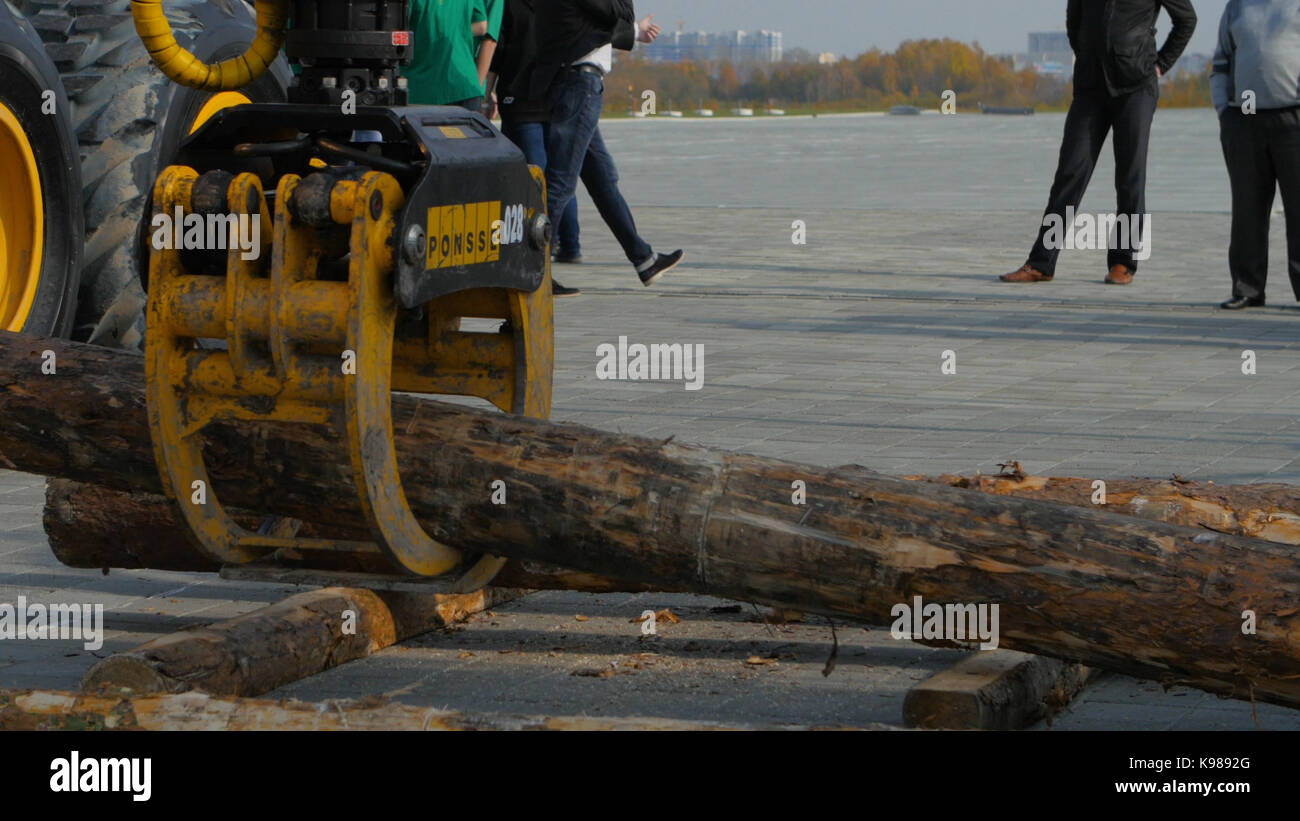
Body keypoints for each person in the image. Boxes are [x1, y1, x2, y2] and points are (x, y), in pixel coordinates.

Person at [1000, 0, 1196, 285]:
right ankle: (1041, 262)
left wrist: (1160, 64)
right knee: (1069, 174)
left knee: (1130, 177)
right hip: (1090, 88)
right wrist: (1090, 55)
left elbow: (1186, 20)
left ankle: (1123, 261)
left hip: (1135, 87)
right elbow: (1073, 21)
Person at [532, 0, 684, 287]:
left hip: (575, 84)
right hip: (578, 86)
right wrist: (631, 25)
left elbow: (596, 26)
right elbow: (616, 12)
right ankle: (529, 270)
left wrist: (634, 33)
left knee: (602, 180)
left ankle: (644, 259)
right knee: (559, 185)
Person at [487, 0, 584, 297]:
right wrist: (488, 91)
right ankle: (545, 248)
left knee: (549, 173)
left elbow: (497, 50)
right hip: (523, 98)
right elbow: (499, 50)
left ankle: (564, 244)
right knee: (541, 172)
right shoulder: (512, 6)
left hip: (547, 96)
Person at [1211, 0, 1300, 310]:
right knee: (1247, 209)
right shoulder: (1237, 6)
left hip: (1294, 119)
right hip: (1244, 120)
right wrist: (1225, 111)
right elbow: (1221, 61)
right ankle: (1247, 288)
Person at [405, 0, 491, 109]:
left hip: (423, 88)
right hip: (465, 86)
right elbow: (481, 26)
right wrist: (454, 32)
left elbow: (395, 32)